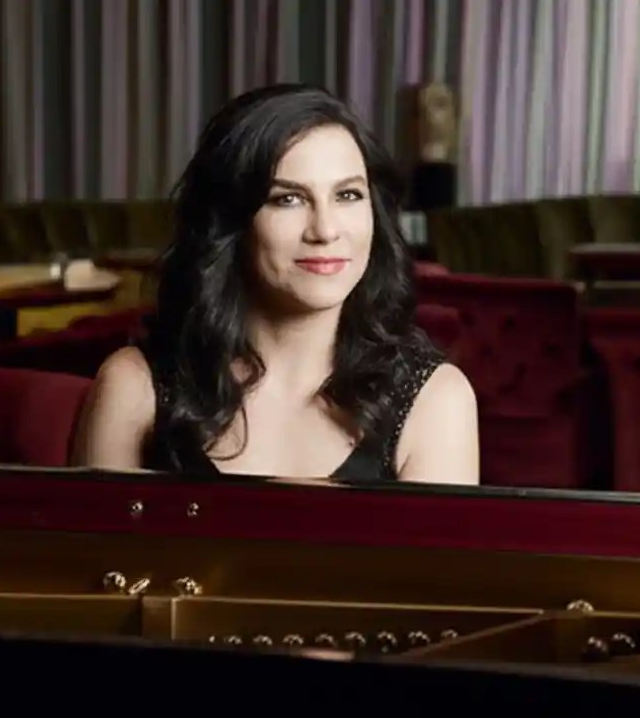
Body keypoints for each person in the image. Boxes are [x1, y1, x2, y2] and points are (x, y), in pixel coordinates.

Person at [70, 84, 479, 485]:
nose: (325, 230)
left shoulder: (435, 401)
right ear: (230, 222)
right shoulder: (134, 388)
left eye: (348, 195)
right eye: (288, 199)